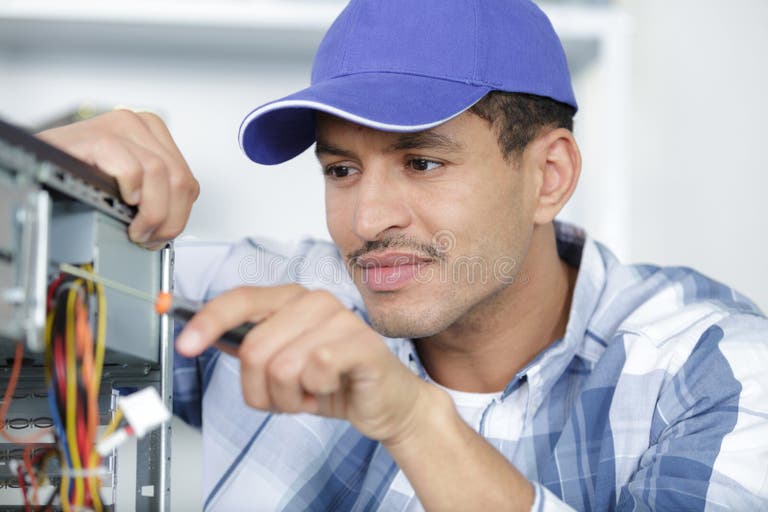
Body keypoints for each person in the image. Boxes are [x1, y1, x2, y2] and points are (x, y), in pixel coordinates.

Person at [38, 0, 768, 510]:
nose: (366, 221)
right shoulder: (260, 295)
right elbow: (33, 310)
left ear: (549, 177)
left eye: (421, 162)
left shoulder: (714, 370)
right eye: (340, 169)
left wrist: (414, 420)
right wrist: (40, 179)